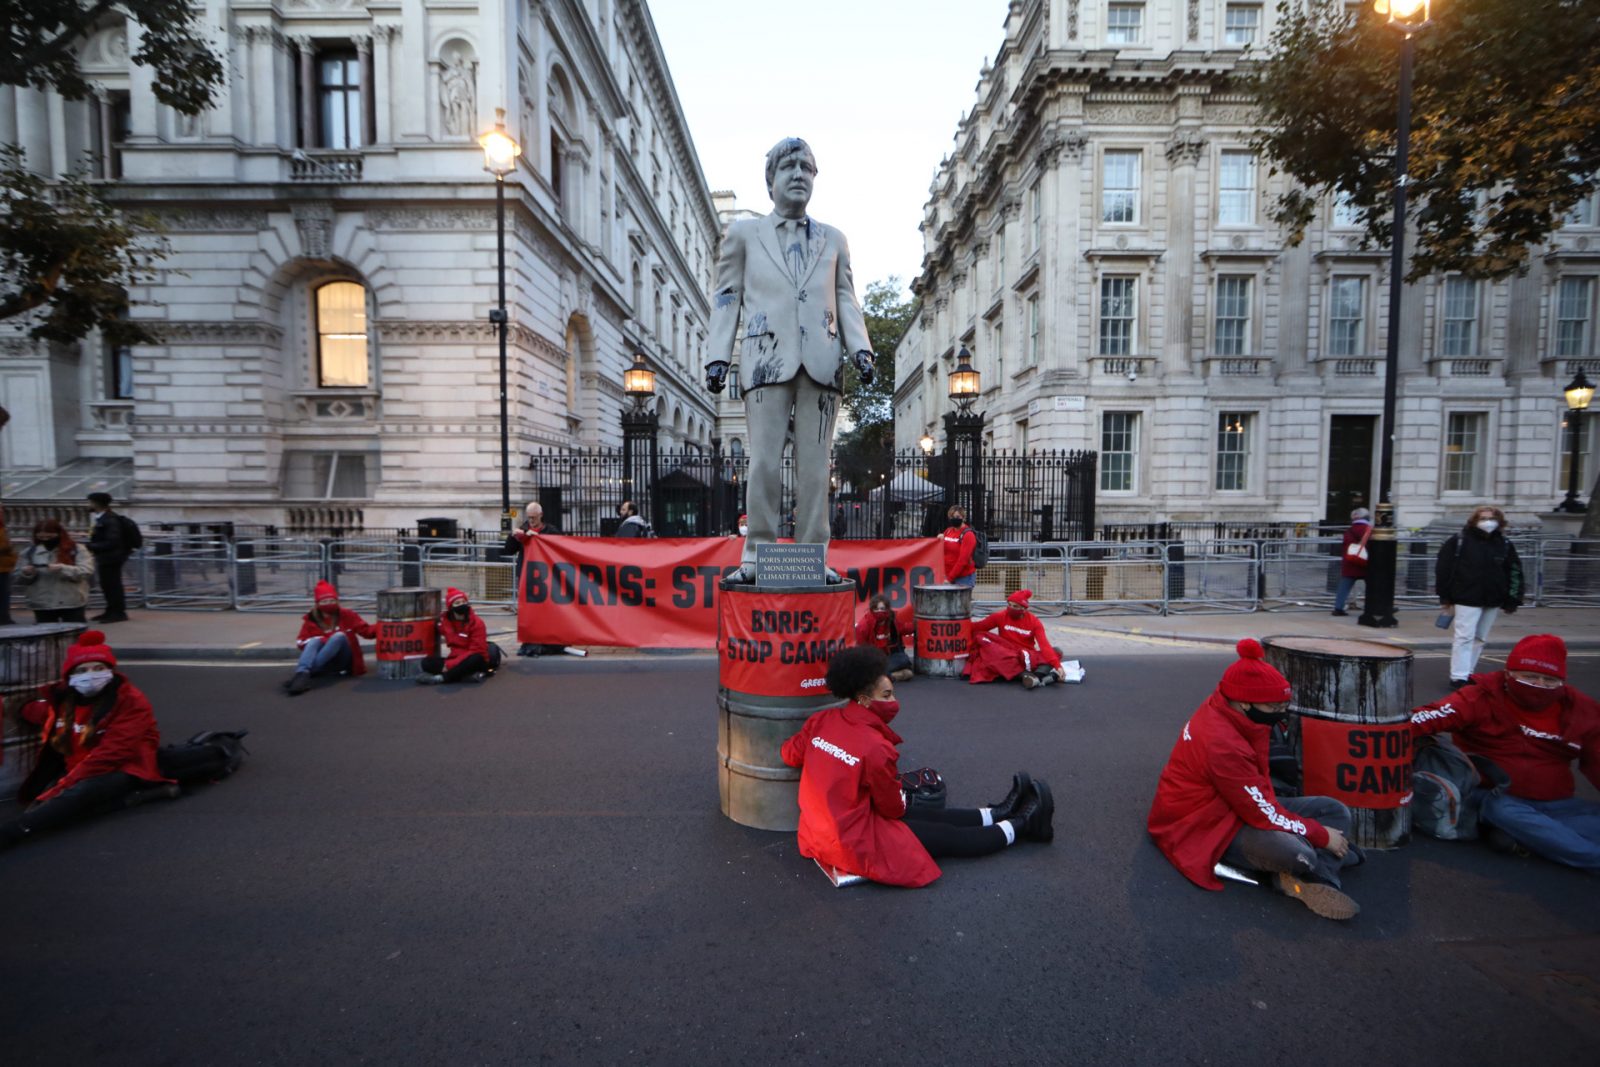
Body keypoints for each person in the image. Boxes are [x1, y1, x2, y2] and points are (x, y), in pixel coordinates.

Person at [705, 137, 875, 585]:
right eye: (789, 167)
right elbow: (727, 296)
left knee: (816, 470)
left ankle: (813, 556)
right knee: (762, 462)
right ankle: (757, 555)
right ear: (771, 181)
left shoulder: (834, 239)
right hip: (764, 361)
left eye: (807, 167)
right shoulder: (744, 234)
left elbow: (846, 298)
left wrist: (861, 348)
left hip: (822, 362)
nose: (799, 174)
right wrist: (718, 355)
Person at [780, 646, 1053, 887]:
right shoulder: (875, 747)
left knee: (933, 818)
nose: (893, 702)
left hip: (821, 829)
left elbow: (789, 755)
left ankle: (997, 813)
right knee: (945, 835)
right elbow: (892, 808)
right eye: (887, 695)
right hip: (850, 839)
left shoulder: (822, 720)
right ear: (863, 698)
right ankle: (1022, 825)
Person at [1147, 639, 1363, 920]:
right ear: (1244, 702)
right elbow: (1261, 813)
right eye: (1274, 708)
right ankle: (1311, 869)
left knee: (1335, 810)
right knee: (1300, 853)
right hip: (1204, 823)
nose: (1281, 714)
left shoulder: (1228, 706)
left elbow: (1259, 800)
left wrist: (1313, 832)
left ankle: (1313, 878)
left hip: (1235, 802)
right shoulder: (1221, 743)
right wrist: (1320, 835)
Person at [1409, 634, 1600, 871]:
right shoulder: (1479, 697)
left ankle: (1526, 838)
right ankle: (1589, 857)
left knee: (1560, 824)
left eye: (1549, 680)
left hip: (1560, 805)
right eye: (1530, 677)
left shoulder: (1581, 709)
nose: (1539, 686)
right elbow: (1423, 719)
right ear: (1509, 674)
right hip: (1495, 797)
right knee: (1504, 812)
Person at [1, 630, 173, 849]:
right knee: (58, 797)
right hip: (79, 769)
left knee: (75, 797)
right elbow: (40, 712)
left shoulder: (131, 700)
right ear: (70, 677)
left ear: (110, 671)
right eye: (82, 670)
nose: (90, 676)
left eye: (99, 668)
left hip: (123, 768)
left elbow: (112, 753)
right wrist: (19, 706)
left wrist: (65, 784)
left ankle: (13, 832)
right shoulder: (65, 700)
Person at [1437, 505, 1524, 685]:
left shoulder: (1504, 544)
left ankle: (1468, 672)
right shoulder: (1459, 540)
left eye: (1491, 519)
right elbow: (1443, 569)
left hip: (1492, 597)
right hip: (1465, 596)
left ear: (1499, 522)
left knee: (1480, 638)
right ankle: (1458, 676)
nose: (1487, 522)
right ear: (1474, 521)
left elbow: (1514, 571)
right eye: (1483, 518)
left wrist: (1512, 599)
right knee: (1464, 637)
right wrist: (1445, 597)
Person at [285, 581, 377, 695]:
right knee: (314, 640)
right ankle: (303, 673)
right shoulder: (311, 619)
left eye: (332, 600)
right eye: (324, 601)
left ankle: (303, 674)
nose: (329, 603)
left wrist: (384, 626)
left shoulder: (347, 615)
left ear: (337, 601)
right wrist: (322, 640)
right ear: (318, 603)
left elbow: (366, 631)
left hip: (344, 660)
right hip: (325, 661)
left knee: (338, 636)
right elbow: (301, 642)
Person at [964, 589, 1064, 689]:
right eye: (1009, 605)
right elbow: (978, 627)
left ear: (1024, 609)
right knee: (982, 639)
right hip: (1007, 654)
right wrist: (959, 623)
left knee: (1056, 651)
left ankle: (1036, 676)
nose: (1011, 608)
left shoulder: (1034, 622)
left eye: (1015, 606)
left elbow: (1044, 645)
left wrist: (1058, 666)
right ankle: (1030, 676)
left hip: (1027, 656)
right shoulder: (1000, 616)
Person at [505, 502, 561, 656]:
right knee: (527, 611)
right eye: (529, 518)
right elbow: (508, 550)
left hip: (544, 577)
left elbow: (559, 546)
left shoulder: (551, 530)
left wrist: (539, 538)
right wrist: (513, 536)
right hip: (525, 576)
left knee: (545, 610)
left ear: (541, 515)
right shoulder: (523, 530)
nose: (531, 521)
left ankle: (545, 640)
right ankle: (528, 641)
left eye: (534, 518)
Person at [15, 518, 95, 623]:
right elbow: (17, 577)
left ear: (59, 534)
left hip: (71, 601)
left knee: (74, 634)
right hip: (42, 602)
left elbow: (86, 571)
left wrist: (63, 568)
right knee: (47, 635)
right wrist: (26, 573)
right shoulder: (29, 552)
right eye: (41, 537)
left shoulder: (76, 549)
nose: (45, 540)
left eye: (49, 537)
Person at [417, 587, 503, 685]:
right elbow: (436, 626)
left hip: (474, 659)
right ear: (451, 607)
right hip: (455, 658)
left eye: (463, 602)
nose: (461, 605)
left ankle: (442, 678)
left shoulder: (477, 623)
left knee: (475, 659)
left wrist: (450, 664)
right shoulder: (445, 623)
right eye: (457, 603)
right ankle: (465, 675)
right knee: (426, 663)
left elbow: (477, 650)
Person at [85, 492, 134, 623]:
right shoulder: (104, 518)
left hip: (112, 557)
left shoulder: (110, 519)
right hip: (107, 557)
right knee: (108, 585)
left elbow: (112, 541)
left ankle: (117, 612)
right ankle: (111, 610)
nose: (88, 505)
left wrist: (90, 546)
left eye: (90, 502)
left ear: (96, 503)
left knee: (113, 585)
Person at [855, 593, 915, 682]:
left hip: (888, 658)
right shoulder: (863, 626)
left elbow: (904, 628)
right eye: (876, 609)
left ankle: (882, 677)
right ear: (872, 610)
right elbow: (860, 649)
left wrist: (919, 625)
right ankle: (885, 676)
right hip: (872, 659)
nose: (880, 612)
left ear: (887, 609)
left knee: (905, 662)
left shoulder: (891, 621)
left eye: (882, 609)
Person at [1332, 507, 1372, 617]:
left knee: (1344, 587)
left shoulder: (1349, 530)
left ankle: (1338, 608)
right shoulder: (1368, 529)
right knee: (1374, 586)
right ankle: (1375, 606)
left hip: (1350, 561)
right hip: (1364, 562)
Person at [942, 506, 977, 588]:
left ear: (963, 517)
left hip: (963, 577)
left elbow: (963, 560)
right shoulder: (948, 531)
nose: (954, 519)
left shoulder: (968, 534)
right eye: (952, 517)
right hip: (948, 575)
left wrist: (950, 578)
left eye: (957, 516)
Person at [0, 504, 17, 626]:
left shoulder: (2, 527)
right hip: (3, 566)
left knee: (4, 594)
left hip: (4, 566)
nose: (2, 511)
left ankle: (4, 617)